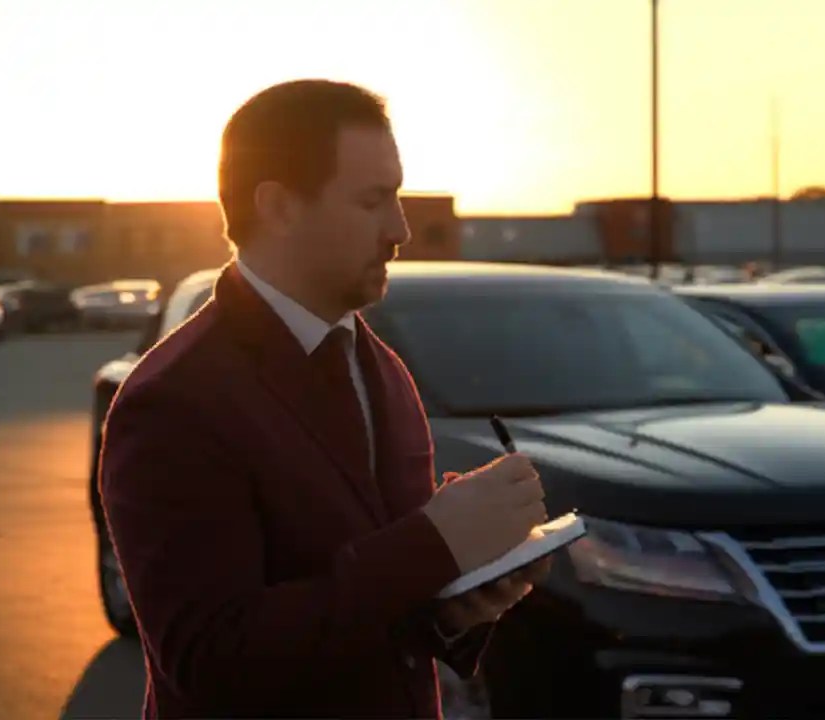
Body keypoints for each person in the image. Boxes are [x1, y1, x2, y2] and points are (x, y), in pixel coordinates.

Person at [99, 79, 550, 719]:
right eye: (372, 201)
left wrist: (460, 601)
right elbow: (213, 662)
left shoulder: (382, 369)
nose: (401, 230)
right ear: (279, 207)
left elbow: (381, 609)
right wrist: (433, 543)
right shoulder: (173, 401)